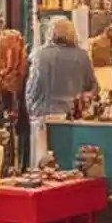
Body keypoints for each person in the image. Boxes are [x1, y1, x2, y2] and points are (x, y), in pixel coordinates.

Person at [26, 16, 98, 167]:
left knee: (44, 166)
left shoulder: (39, 55)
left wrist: (32, 109)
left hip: (44, 118)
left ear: (50, 33)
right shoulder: (82, 56)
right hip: (73, 118)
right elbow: (93, 88)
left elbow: (33, 88)